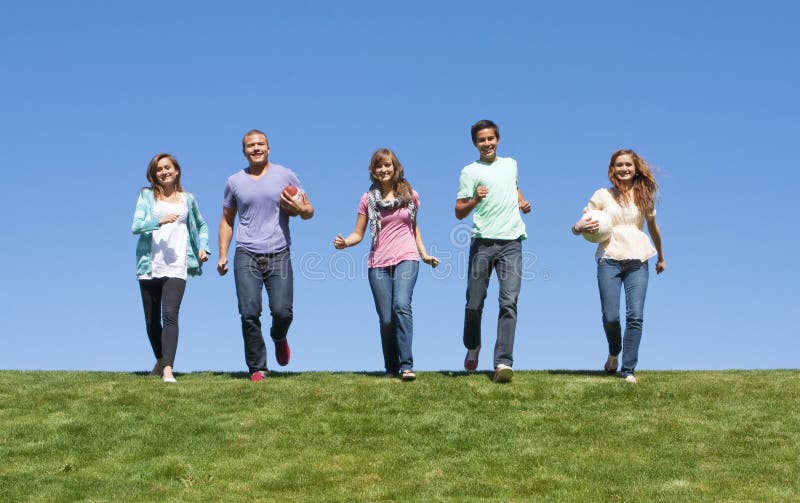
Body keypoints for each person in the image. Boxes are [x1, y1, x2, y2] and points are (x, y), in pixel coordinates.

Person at [334, 148, 439, 381]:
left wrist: (424, 254)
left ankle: (406, 365)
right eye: (379, 166)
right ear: (373, 170)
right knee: (386, 318)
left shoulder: (410, 194)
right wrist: (345, 243)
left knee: (401, 305)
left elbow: (414, 227)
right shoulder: (368, 199)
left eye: (388, 165)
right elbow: (358, 233)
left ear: (395, 167)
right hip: (378, 262)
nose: (384, 169)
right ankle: (391, 368)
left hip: (407, 256)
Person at [218, 129, 314, 381]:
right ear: (244, 151)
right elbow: (227, 220)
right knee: (249, 312)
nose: (256, 148)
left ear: (269, 148)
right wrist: (222, 254)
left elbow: (309, 210)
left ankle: (279, 336)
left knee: (283, 312)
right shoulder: (234, 182)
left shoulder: (286, 175)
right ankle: (257, 367)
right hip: (246, 252)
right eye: (250, 145)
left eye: (260, 144)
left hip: (278, 251)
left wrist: (299, 208)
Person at [571, 149, 665, 384]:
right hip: (609, 258)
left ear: (635, 169)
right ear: (612, 169)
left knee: (635, 316)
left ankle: (628, 369)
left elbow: (653, 228)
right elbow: (581, 224)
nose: (624, 169)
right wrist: (578, 228)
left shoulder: (644, 196)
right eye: (619, 165)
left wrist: (661, 256)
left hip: (638, 259)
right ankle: (614, 351)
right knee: (611, 316)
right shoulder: (602, 195)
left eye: (628, 165)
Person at [455, 120, 532, 383]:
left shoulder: (511, 164)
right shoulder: (469, 171)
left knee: (509, 302)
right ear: (475, 144)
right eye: (481, 140)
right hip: (483, 242)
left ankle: (503, 362)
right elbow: (458, 211)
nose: (487, 144)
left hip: (512, 241)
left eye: (490, 138)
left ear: (498, 139)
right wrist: (475, 199)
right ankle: (473, 345)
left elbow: (514, 185)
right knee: (474, 302)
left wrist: (521, 200)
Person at [131, 153, 210, 383]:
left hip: (177, 264)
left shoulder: (188, 199)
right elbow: (136, 226)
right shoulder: (147, 197)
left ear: (176, 171)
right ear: (154, 174)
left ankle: (167, 369)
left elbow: (202, 226)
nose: (163, 171)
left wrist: (203, 247)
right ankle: (159, 357)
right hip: (149, 264)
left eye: (167, 167)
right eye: (159, 169)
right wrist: (160, 221)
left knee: (171, 315)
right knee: (151, 320)